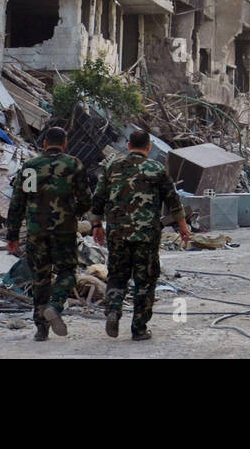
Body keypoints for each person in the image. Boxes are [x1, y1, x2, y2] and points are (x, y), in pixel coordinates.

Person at [91, 128, 191, 341]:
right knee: (145, 280)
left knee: (117, 276)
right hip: (146, 236)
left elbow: (98, 198)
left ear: (128, 146)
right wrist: (183, 227)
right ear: (149, 147)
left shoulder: (111, 167)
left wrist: (96, 225)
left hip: (117, 234)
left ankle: (113, 311)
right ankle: (139, 328)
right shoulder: (156, 169)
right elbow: (173, 201)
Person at [6, 126, 90, 342]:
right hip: (64, 231)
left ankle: (41, 328)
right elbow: (85, 200)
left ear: (44, 143)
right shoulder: (73, 165)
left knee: (40, 278)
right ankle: (55, 305)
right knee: (67, 272)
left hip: (37, 232)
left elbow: (19, 201)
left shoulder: (32, 167)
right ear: (65, 143)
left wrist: (12, 235)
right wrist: (73, 215)